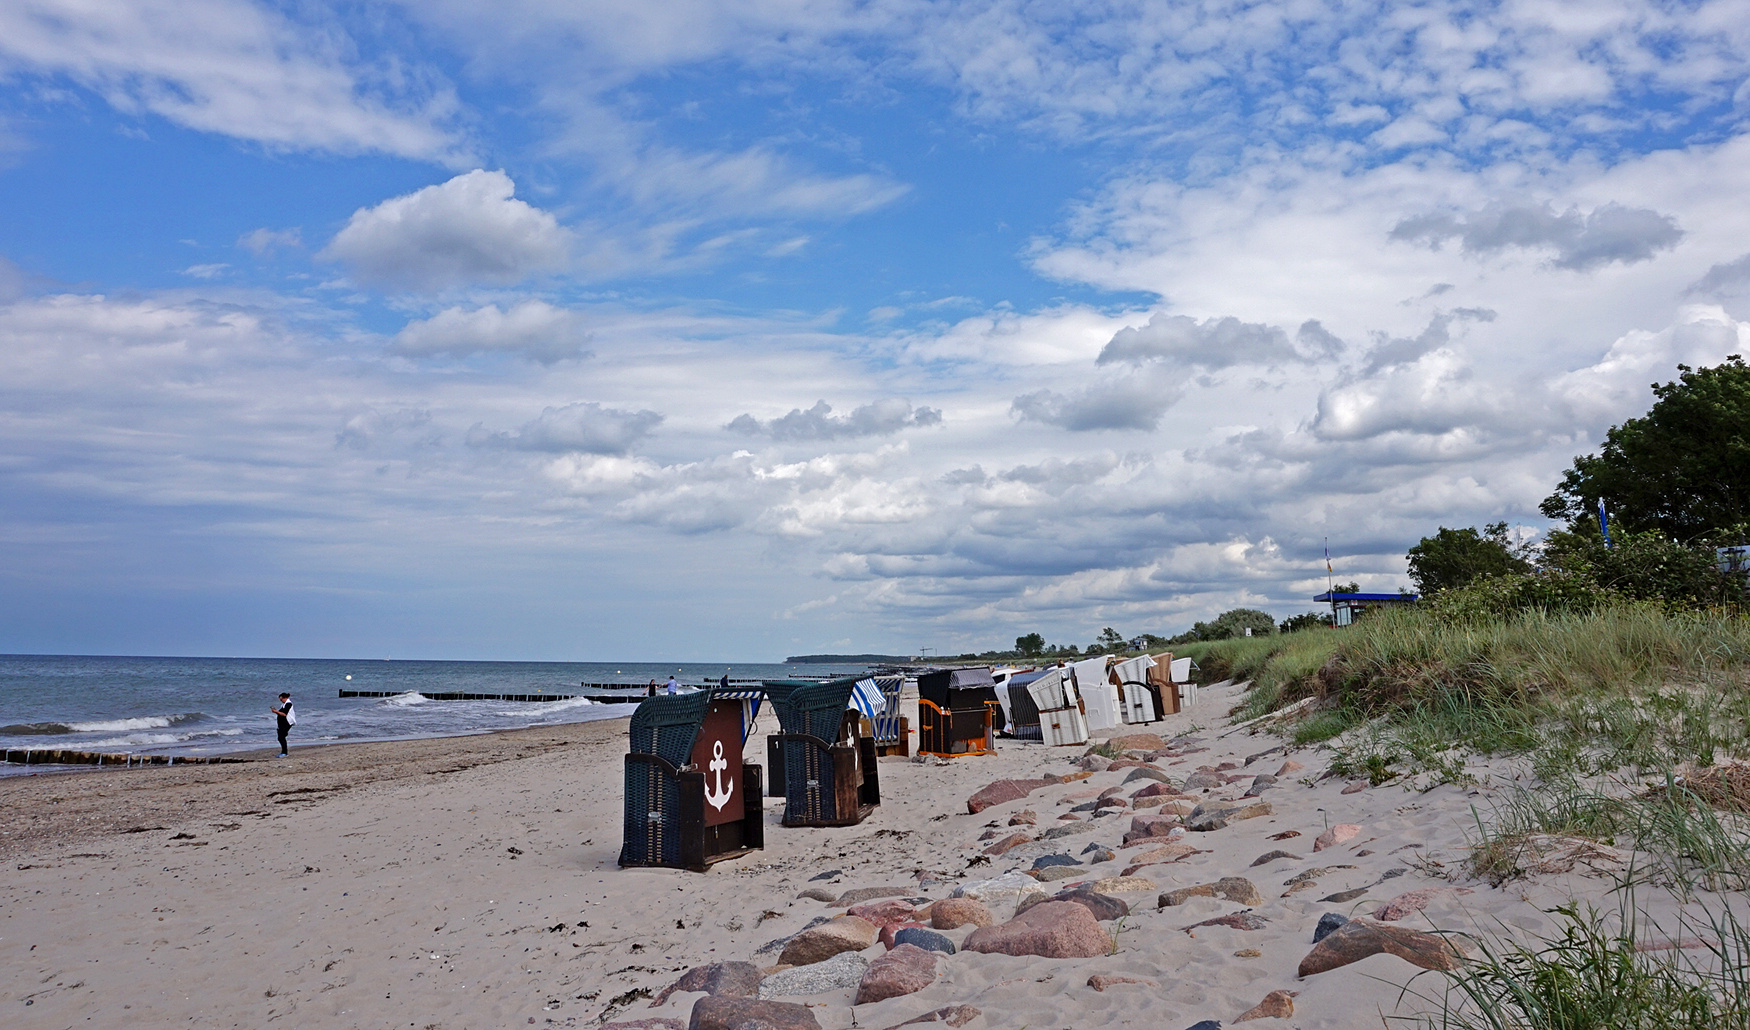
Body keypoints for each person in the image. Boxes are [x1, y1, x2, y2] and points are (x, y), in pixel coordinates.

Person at [271, 692, 295, 757]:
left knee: (281, 737)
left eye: (281, 699)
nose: (281, 701)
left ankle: (284, 752)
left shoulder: (288, 704)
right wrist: (276, 711)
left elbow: (284, 714)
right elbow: (280, 713)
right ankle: (284, 751)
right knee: (281, 737)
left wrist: (276, 711)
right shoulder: (283, 705)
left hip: (287, 722)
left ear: (285, 698)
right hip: (282, 723)